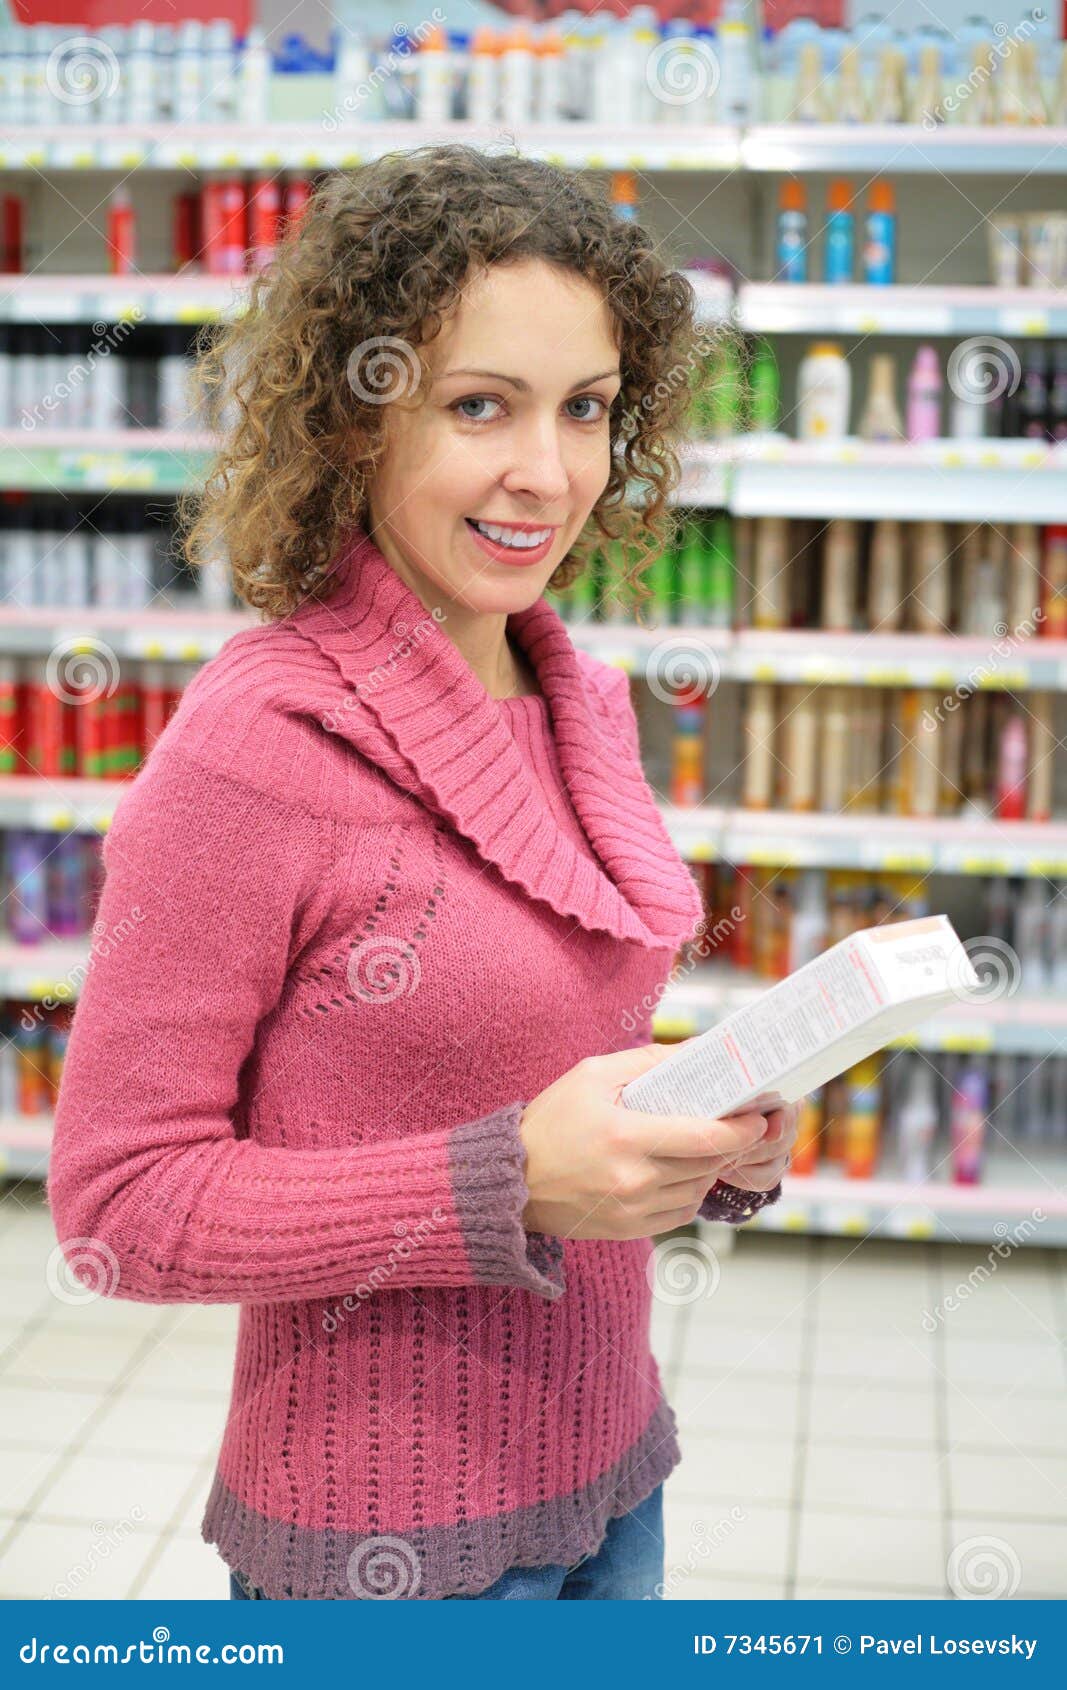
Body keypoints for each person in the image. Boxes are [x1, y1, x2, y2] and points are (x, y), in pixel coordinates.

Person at [48, 144, 796, 1603]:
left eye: (585, 408)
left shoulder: (568, 690)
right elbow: (117, 1207)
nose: (549, 471)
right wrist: (511, 1178)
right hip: (385, 1546)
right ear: (352, 422)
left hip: (613, 1475)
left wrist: (691, 1138)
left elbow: (530, 1060)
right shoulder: (257, 746)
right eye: (478, 407)